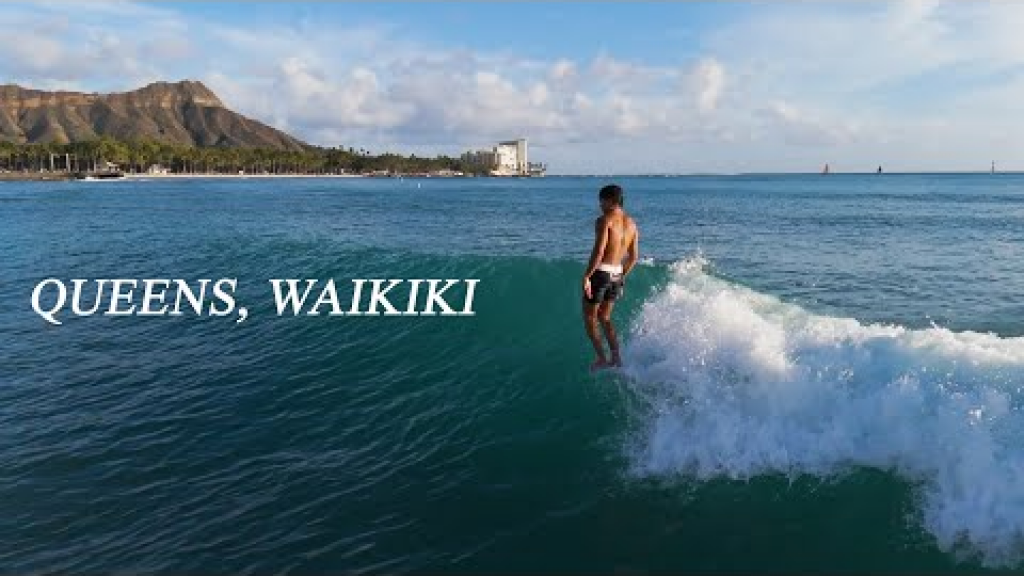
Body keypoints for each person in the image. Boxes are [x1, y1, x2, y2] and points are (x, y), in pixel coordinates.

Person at [582, 184, 638, 371]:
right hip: (616, 274)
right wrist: (622, 276)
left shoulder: (604, 221)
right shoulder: (632, 224)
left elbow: (599, 252)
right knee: (605, 317)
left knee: (590, 318)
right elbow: (634, 257)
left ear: (611, 201)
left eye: (602, 200)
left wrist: (587, 276)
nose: (599, 205)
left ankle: (601, 358)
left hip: (601, 273)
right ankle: (616, 358)